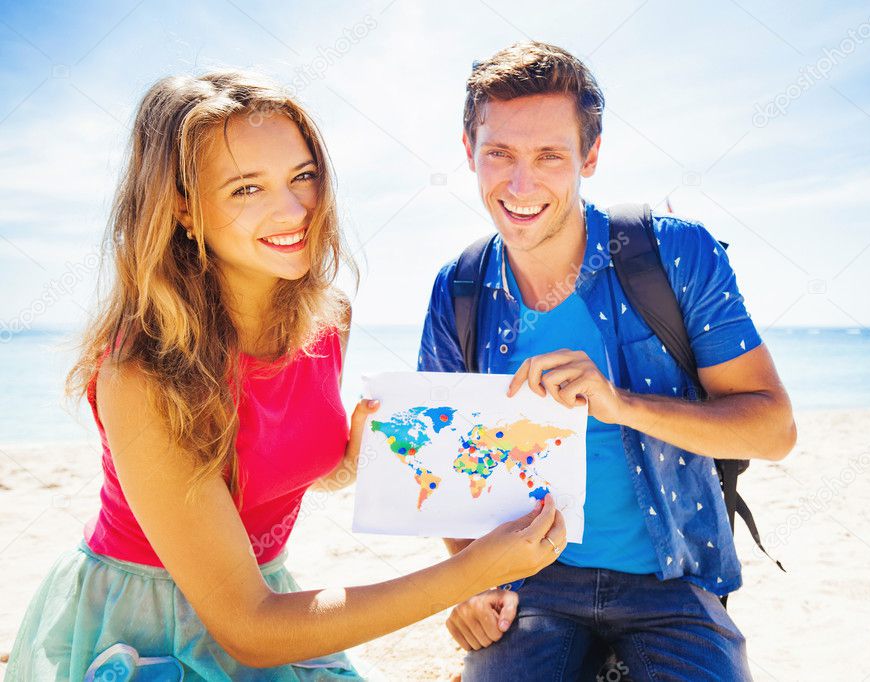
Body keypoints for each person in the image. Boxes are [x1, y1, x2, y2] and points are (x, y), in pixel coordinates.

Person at [5, 70, 566, 681]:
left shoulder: (328, 316)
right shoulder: (138, 375)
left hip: (271, 595)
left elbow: (263, 471)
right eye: (247, 188)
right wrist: (472, 572)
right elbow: (250, 628)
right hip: (153, 624)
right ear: (182, 208)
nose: (294, 210)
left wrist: (345, 463)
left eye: (303, 176)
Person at [418, 42, 797, 681]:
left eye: (549, 157)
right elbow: (447, 466)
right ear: (468, 151)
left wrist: (621, 405)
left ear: (590, 156)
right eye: (499, 154)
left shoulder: (674, 254)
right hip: (530, 580)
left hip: (672, 576)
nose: (519, 184)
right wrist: (469, 583)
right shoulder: (459, 287)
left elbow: (773, 429)